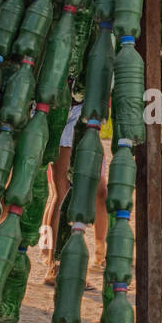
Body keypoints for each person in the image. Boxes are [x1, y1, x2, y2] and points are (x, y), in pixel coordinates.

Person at [41, 99, 107, 284]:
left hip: (85, 112)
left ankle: (98, 253)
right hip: (67, 110)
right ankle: (57, 265)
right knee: (62, 193)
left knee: (96, 190)